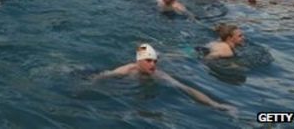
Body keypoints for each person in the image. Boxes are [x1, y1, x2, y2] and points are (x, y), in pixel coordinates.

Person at [94, 44, 235, 112]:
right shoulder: (127, 70)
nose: (153, 65)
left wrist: (216, 105)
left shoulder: (158, 74)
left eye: (155, 61)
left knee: (175, 60)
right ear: (138, 61)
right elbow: (102, 77)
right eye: (148, 61)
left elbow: (187, 89)